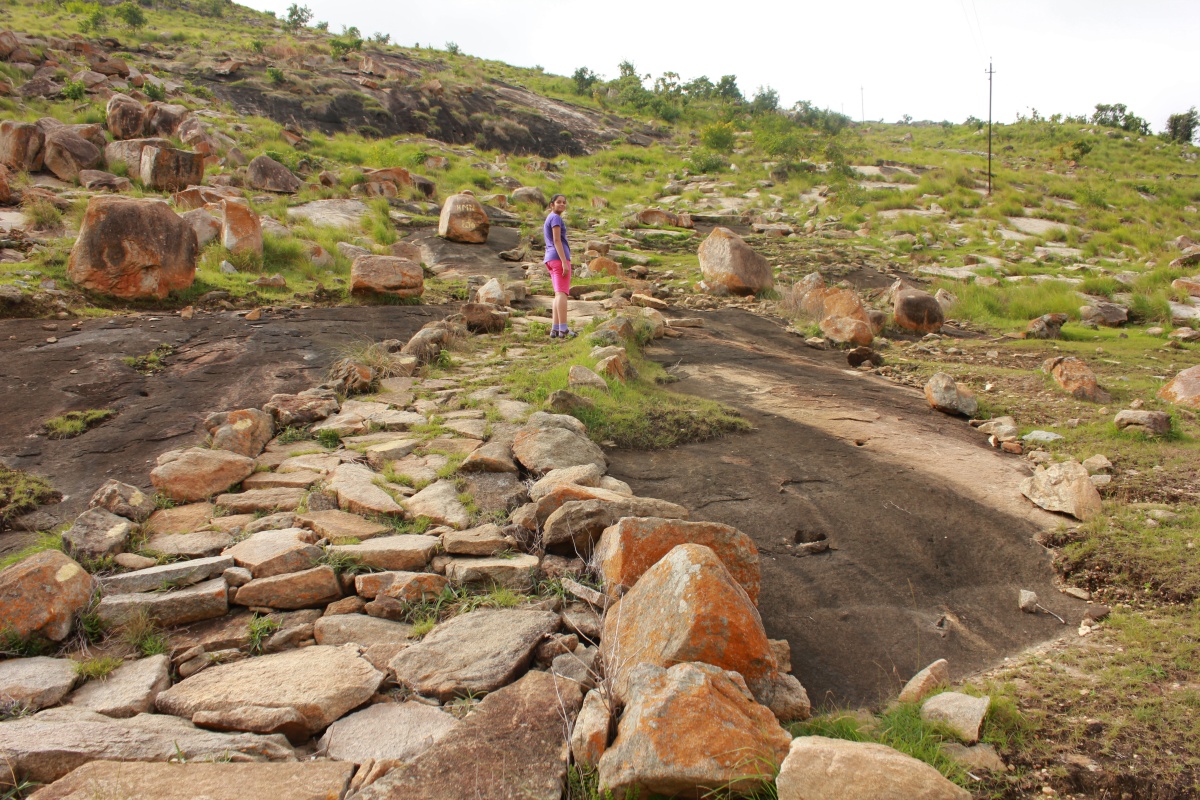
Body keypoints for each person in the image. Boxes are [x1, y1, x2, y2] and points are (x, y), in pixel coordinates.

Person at [543, 193, 575, 339]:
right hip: (557, 258)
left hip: (550, 258)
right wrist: (564, 261)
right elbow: (557, 240)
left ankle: (555, 328)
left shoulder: (549, 217)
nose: (562, 204)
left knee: (558, 293)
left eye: (564, 202)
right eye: (558, 202)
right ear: (552, 204)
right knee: (562, 293)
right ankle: (564, 329)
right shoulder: (556, 218)